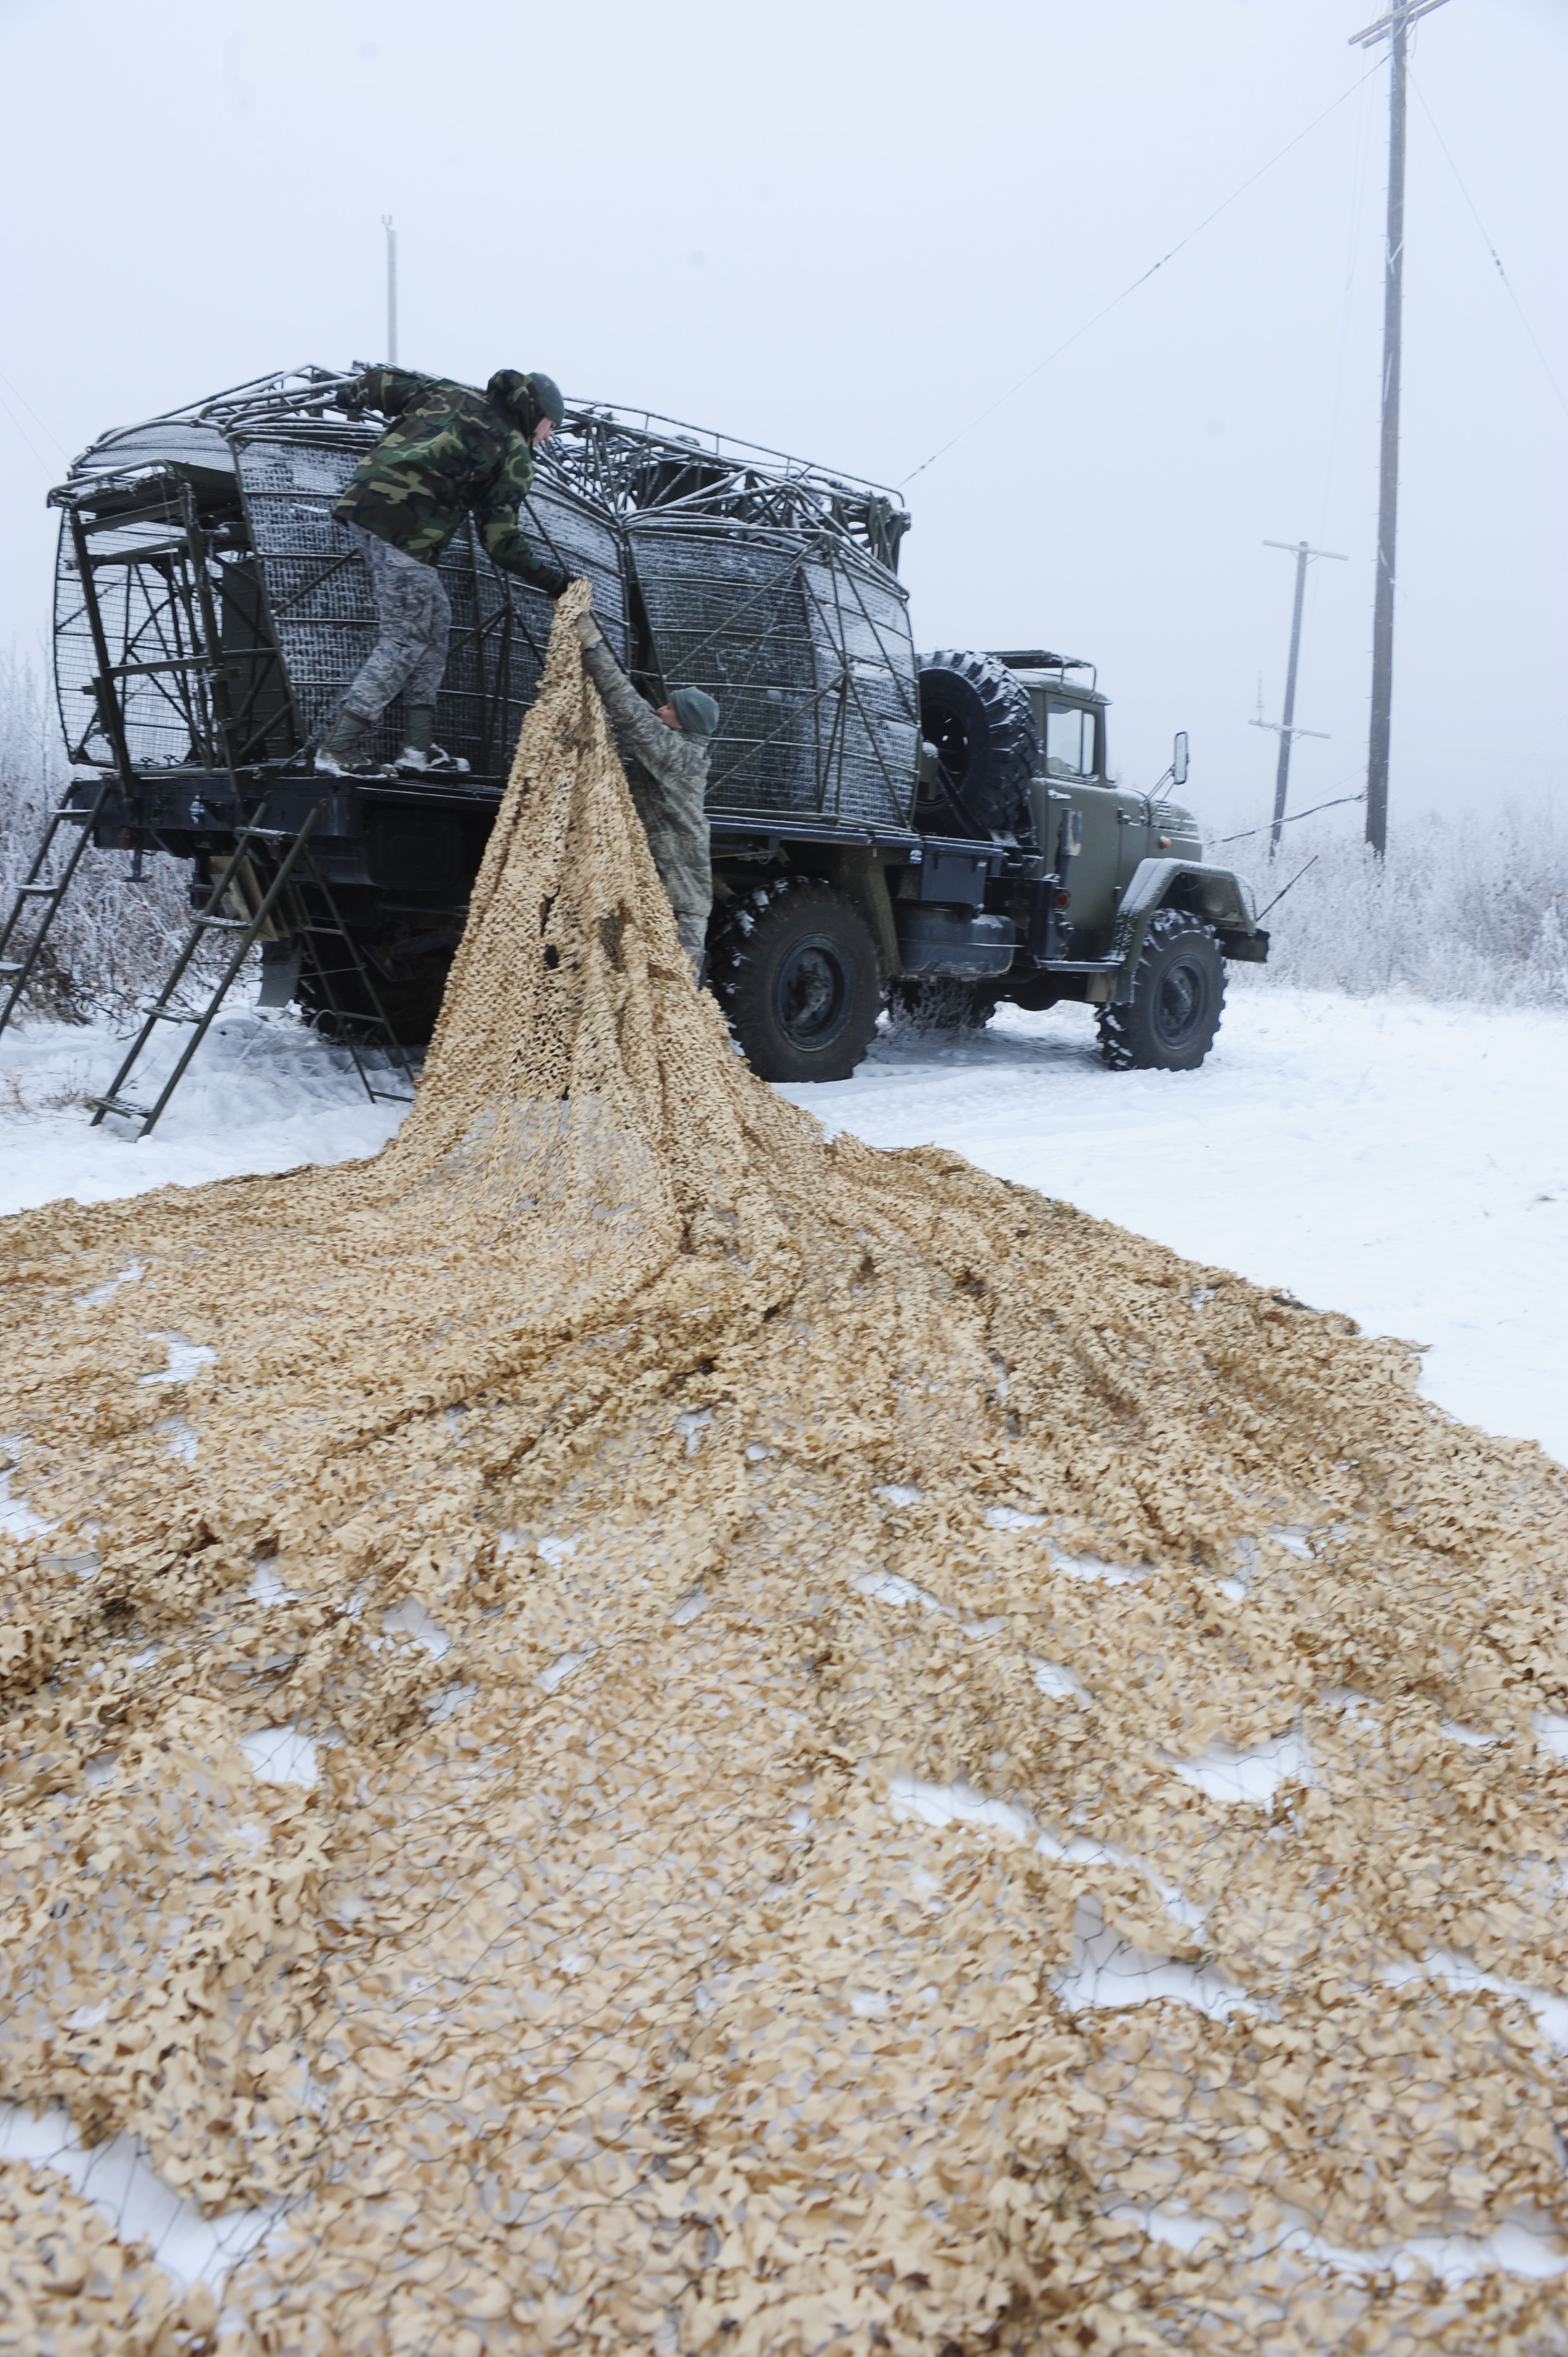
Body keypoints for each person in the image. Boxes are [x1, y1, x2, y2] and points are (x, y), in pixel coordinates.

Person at [318, 365, 571, 777]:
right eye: (550, 427)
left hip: (364, 505)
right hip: (408, 531)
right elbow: (501, 542)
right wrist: (557, 583)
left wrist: (353, 394)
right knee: (405, 637)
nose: (547, 436)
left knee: (436, 622)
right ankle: (339, 748)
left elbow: (382, 382)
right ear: (536, 414)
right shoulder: (515, 452)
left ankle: (418, 749)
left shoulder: (450, 392)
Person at [573, 610, 719, 977]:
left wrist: (592, 643)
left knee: (673, 1000)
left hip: (678, 907)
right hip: (669, 897)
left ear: (683, 722)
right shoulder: (681, 751)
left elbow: (627, 708)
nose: (660, 708)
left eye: (669, 707)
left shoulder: (677, 754)